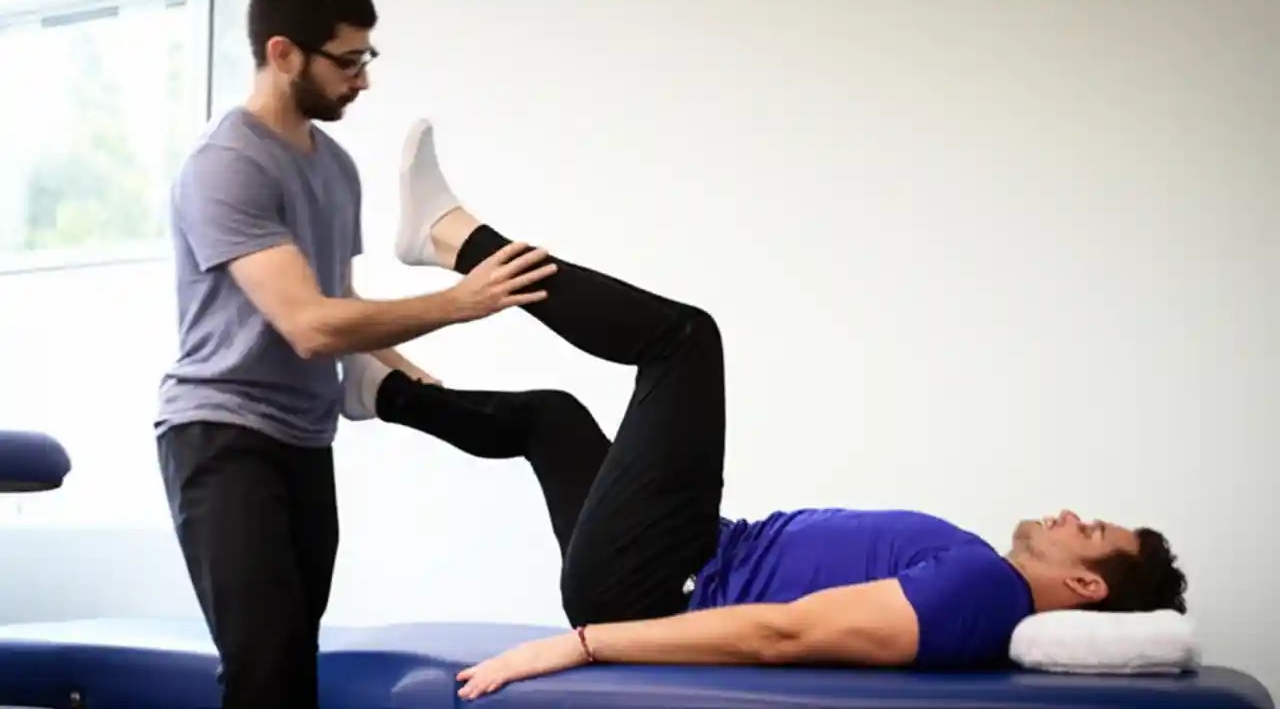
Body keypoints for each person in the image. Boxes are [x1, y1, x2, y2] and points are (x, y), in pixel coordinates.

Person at [349, 117, 1191, 701]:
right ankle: (377, 392)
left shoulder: (981, 595)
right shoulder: (981, 577)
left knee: (684, 342)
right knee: (552, 420)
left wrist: (580, 644)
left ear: (1084, 584)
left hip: (661, 584)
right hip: (672, 564)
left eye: (1094, 531)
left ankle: (453, 238)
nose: (1075, 515)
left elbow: (781, 634)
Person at [153, 0, 554, 707]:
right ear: (283, 54)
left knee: (293, 661)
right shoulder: (227, 165)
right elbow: (309, 325)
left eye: (366, 57)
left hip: (307, 434)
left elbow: (342, 305)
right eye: (347, 60)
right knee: (265, 660)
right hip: (222, 432)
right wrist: (462, 302)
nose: (363, 79)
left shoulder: (334, 167)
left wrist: (405, 375)